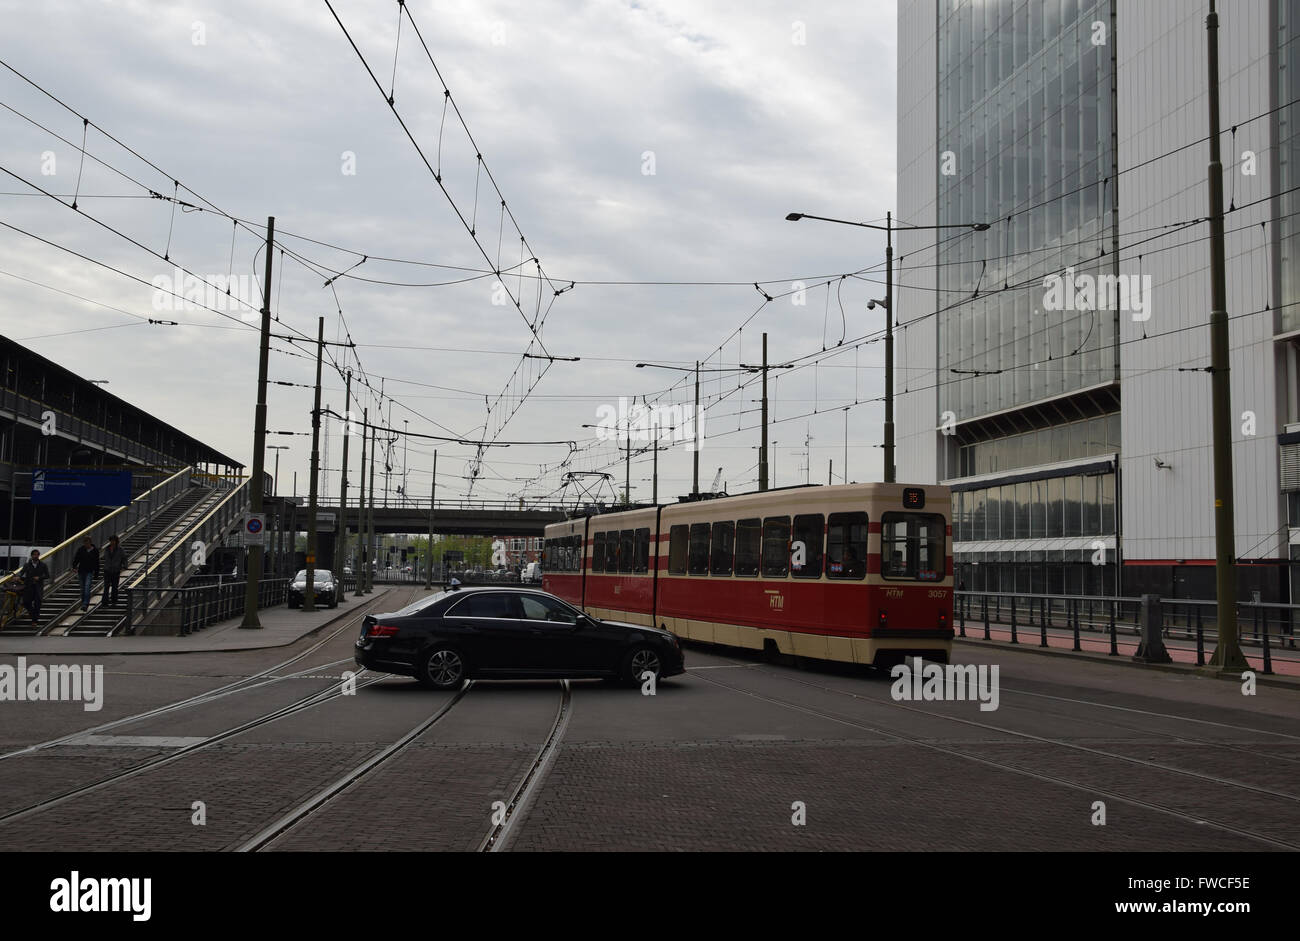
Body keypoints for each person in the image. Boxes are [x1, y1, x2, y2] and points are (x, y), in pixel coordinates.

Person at [20, 549, 50, 625]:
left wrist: (39, 578)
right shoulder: (27, 565)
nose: (35, 556)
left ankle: (34, 621)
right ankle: (33, 614)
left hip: (38, 587)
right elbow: (22, 574)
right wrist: (18, 577)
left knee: (37, 604)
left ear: (39, 556)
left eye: (37, 555)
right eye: (34, 555)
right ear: (32, 556)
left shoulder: (43, 565)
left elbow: (47, 575)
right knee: (26, 602)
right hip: (28, 587)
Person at [72, 535, 100, 611]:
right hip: (81, 571)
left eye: (87, 543)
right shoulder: (81, 549)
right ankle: (83, 602)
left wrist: (96, 573)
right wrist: (74, 566)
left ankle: (85, 603)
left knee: (87, 588)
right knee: (82, 589)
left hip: (89, 571)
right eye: (85, 543)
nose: (86, 545)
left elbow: (97, 562)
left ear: (90, 543)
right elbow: (77, 558)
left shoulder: (95, 551)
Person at [102, 534, 127, 606]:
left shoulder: (120, 549)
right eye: (111, 541)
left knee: (114, 586)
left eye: (113, 541)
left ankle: (114, 601)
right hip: (107, 570)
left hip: (116, 570)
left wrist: (124, 566)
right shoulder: (107, 549)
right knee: (106, 586)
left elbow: (124, 558)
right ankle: (105, 602)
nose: (112, 542)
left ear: (116, 541)